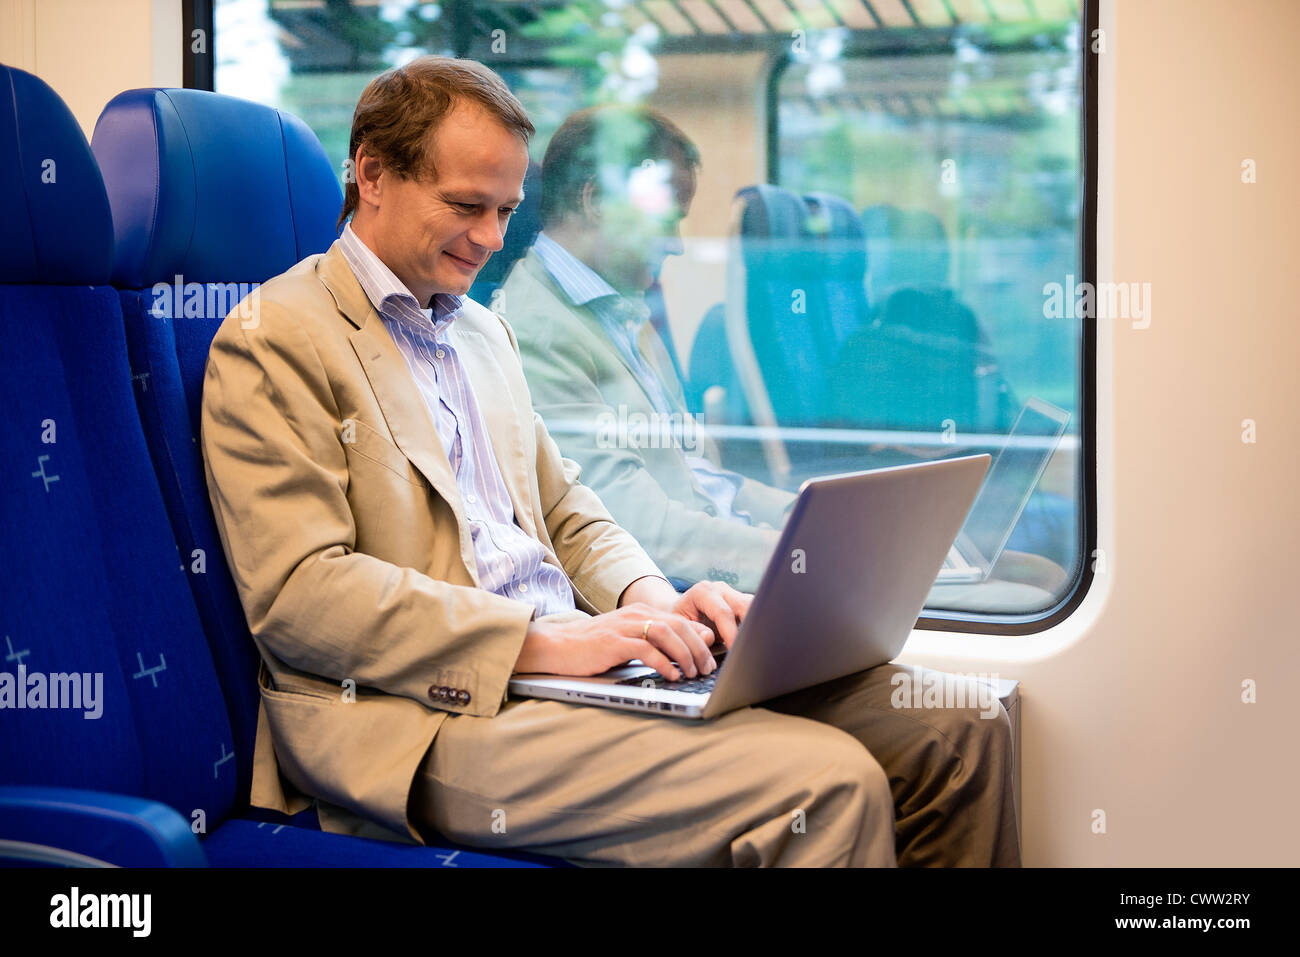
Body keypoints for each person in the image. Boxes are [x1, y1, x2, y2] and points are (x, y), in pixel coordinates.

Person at [201, 55, 1021, 866]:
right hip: (424, 715)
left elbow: (567, 510)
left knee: (957, 727)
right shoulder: (275, 338)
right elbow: (304, 595)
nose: (492, 238)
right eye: (466, 206)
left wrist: (653, 602)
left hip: (575, 664)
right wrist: (544, 642)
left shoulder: (481, 334)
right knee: (829, 784)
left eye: (507, 210)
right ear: (373, 175)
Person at [498, 106, 794, 592]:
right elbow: (633, 527)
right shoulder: (533, 331)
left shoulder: (622, 311)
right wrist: (795, 556)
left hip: (713, 559)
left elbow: (697, 475)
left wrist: (797, 512)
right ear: (596, 202)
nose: (676, 245)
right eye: (666, 219)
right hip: (673, 589)